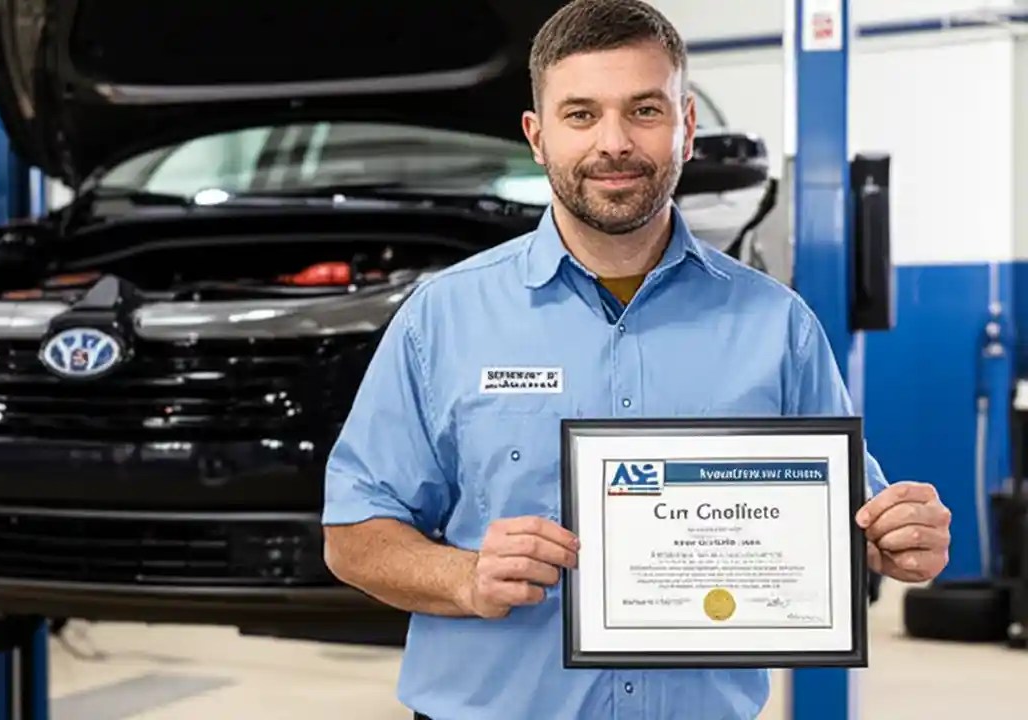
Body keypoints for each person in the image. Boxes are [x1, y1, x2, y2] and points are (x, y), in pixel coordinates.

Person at [320, 1, 952, 718]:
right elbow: (353, 535)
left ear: (686, 126)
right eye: (581, 114)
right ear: (537, 136)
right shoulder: (444, 318)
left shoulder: (778, 326)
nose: (614, 142)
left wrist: (902, 539)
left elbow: (855, 521)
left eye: (644, 110)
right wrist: (465, 578)